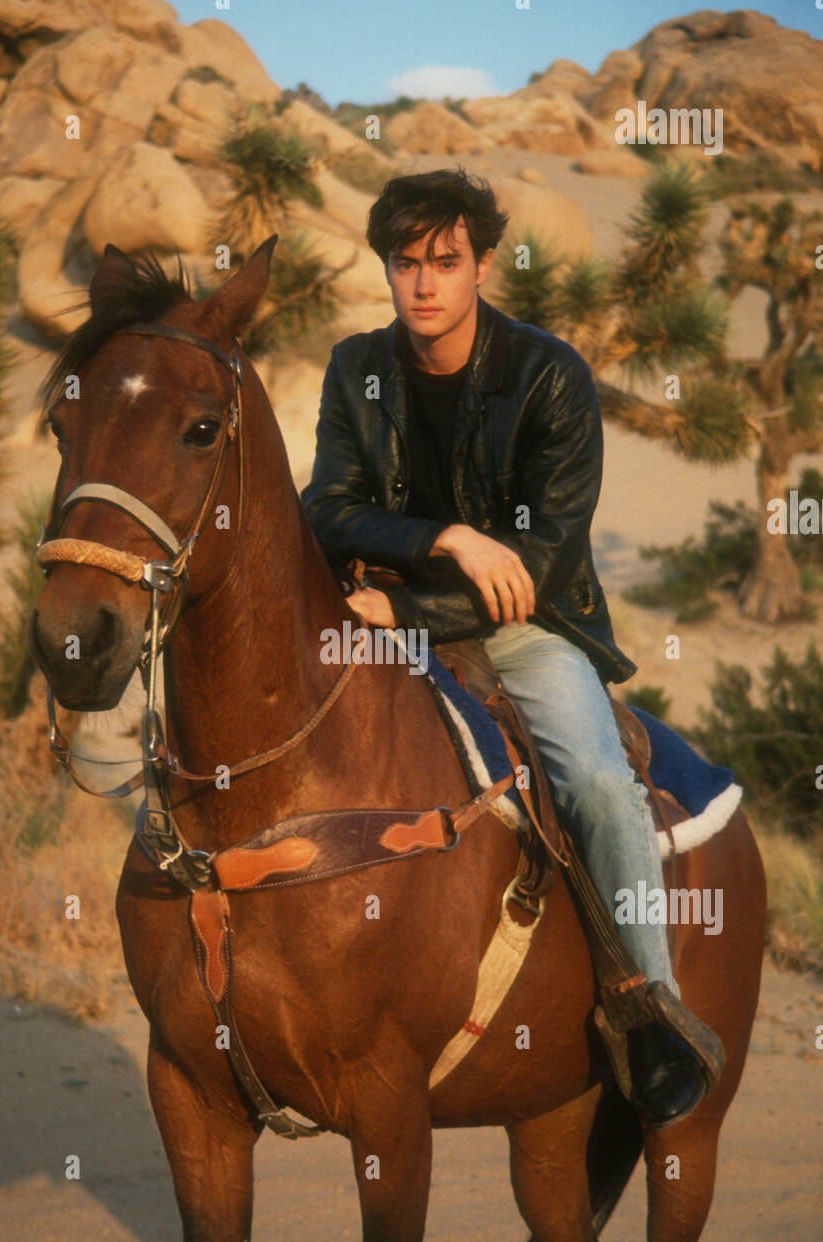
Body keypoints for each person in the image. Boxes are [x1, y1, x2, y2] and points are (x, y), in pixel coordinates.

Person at [301, 167, 716, 1127]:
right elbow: (327, 509)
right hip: (384, 611)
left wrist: (410, 611)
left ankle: (651, 1012)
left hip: (526, 629)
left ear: (484, 263)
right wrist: (443, 537)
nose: (424, 284)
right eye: (406, 264)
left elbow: (540, 559)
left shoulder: (549, 375)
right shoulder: (355, 368)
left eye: (445, 261)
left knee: (600, 783)